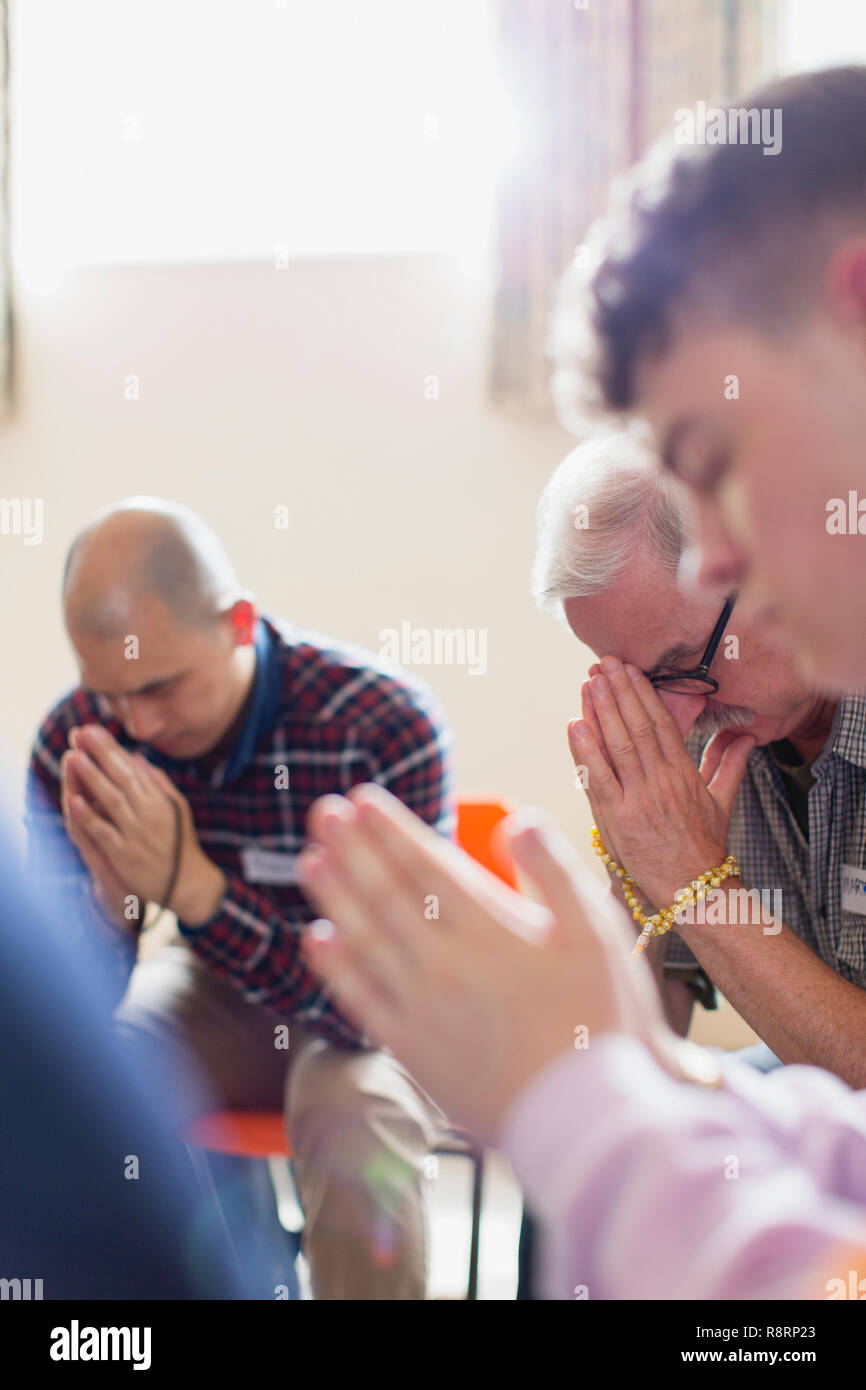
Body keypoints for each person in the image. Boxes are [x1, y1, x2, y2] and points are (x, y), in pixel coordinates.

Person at [291, 65, 866, 1300]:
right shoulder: (722, 731)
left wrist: (693, 897)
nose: (726, 553)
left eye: (715, 462)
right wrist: (610, 934)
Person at [26, 496, 454, 1300]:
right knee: (95, 1088)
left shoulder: (378, 724)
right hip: (215, 989)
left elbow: (383, 1007)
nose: (139, 724)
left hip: (379, 1000)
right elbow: (63, 1019)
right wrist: (114, 909)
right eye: (110, 694)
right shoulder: (76, 741)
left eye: (160, 687)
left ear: (238, 622)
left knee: (357, 1116)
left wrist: (195, 889)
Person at [532, 428, 866, 1084]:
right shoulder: (698, 716)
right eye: (640, 685)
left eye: (683, 665)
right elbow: (645, 1037)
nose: (676, 717)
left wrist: (696, 884)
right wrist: (637, 869)